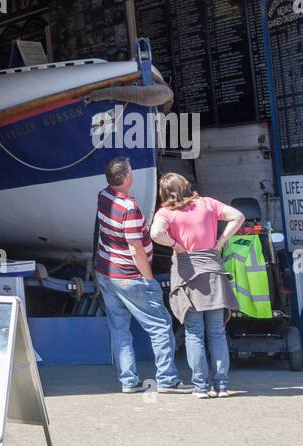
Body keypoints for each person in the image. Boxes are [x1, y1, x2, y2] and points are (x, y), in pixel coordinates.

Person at [93, 156, 189, 394]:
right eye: (131, 171)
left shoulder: (103, 196)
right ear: (127, 177)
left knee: (119, 329)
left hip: (106, 272)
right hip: (129, 276)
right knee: (161, 325)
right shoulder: (130, 209)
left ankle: (128, 381)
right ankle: (167, 379)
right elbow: (135, 248)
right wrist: (148, 279)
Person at [150, 173, 245, 398]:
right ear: (185, 186)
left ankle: (201, 387)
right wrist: (221, 241)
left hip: (187, 273)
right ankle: (221, 386)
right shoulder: (208, 204)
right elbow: (238, 216)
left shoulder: (166, 212)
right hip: (212, 269)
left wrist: (175, 244)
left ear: (165, 193)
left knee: (194, 333)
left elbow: (155, 233)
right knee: (217, 332)